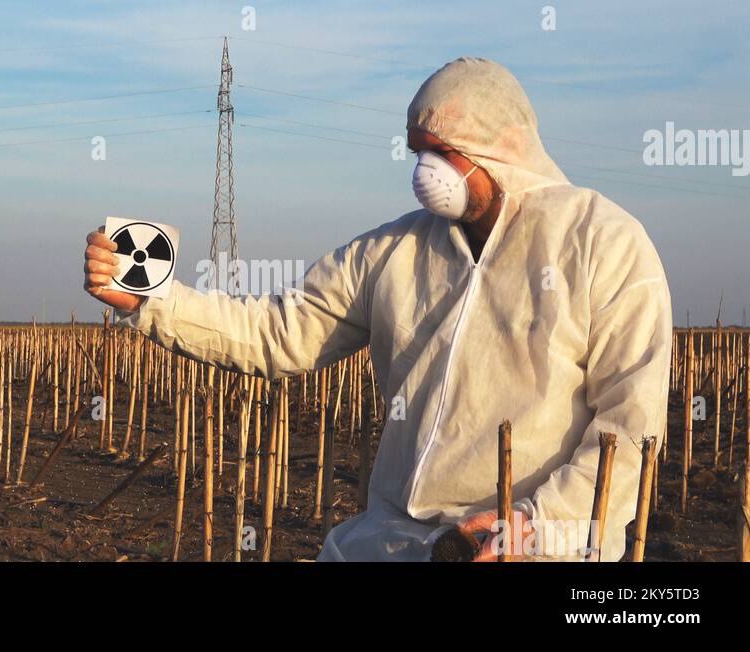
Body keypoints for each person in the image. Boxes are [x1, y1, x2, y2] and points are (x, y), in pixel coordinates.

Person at [83, 57, 671, 561]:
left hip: (530, 548)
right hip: (391, 542)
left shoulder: (603, 243)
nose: (426, 173)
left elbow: (631, 427)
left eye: (443, 153)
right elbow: (278, 332)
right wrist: (151, 301)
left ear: (501, 150)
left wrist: (534, 528)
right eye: (418, 153)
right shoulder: (392, 251)